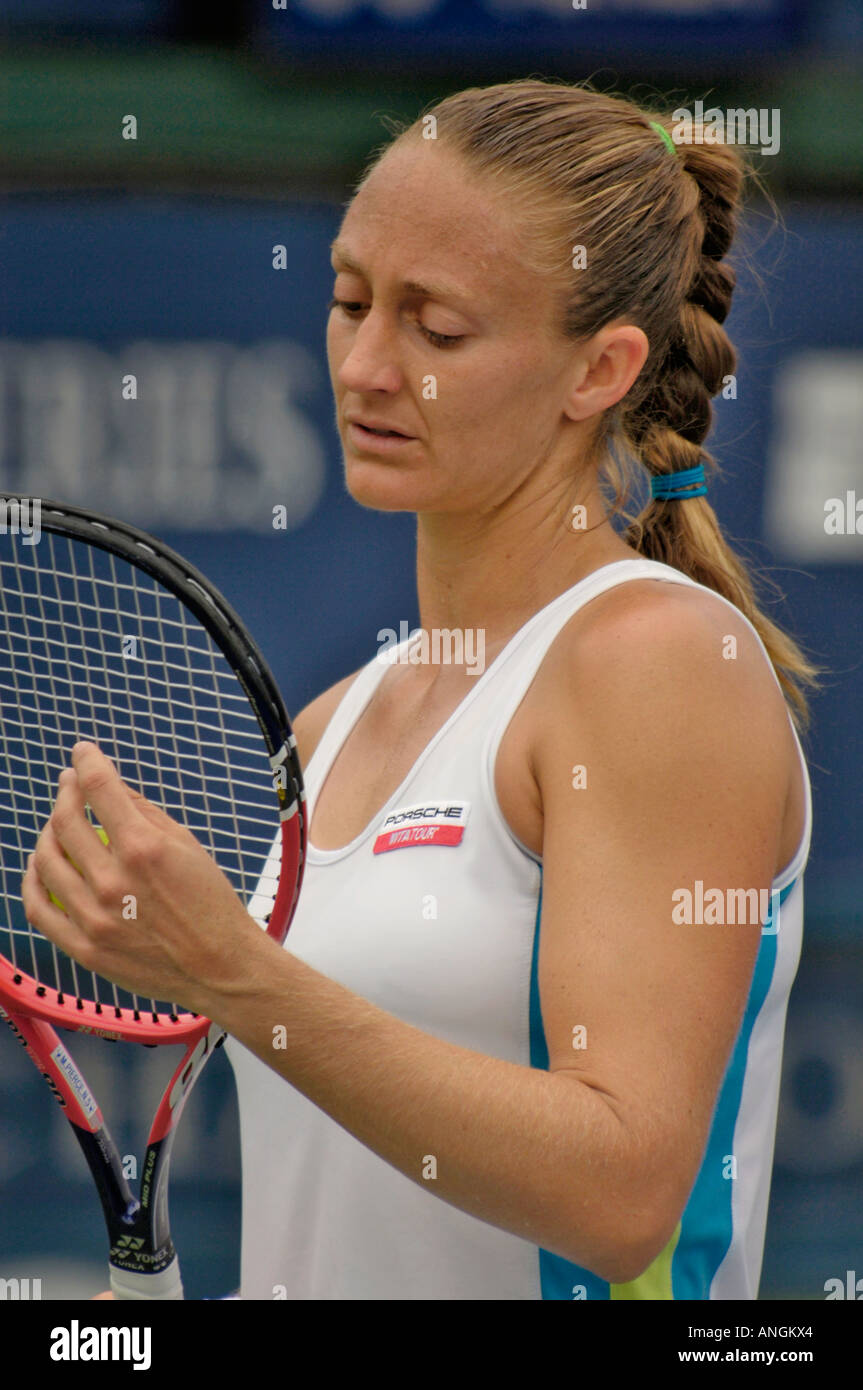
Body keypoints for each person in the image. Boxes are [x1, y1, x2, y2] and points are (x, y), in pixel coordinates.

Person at [25, 79, 819, 1300]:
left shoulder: (655, 661)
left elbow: (620, 1194)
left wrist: (233, 968)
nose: (367, 365)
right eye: (349, 303)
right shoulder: (332, 728)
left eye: (435, 329)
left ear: (597, 369)